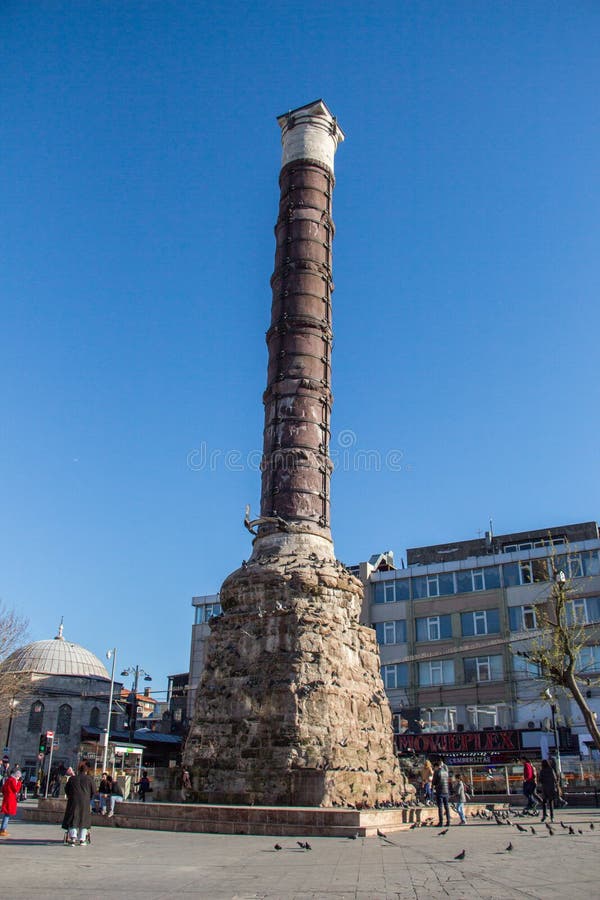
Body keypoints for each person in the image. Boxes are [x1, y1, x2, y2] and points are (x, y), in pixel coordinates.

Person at [62, 761, 95, 845]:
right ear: (86, 770)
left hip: (73, 801)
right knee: (84, 820)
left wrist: (71, 796)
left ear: (78, 770)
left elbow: (66, 789)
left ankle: (73, 838)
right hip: (85, 801)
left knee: (73, 818)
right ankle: (82, 839)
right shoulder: (89, 779)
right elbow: (94, 791)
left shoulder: (72, 779)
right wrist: (89, 798)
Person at [0, 769, 21, 836]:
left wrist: (5, 794)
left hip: (6, 798)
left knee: (6, 814)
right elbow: (16, 789)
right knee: (7, 814)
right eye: (18, 777)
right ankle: (3, 829)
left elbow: (3, 789)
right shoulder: (13, 780)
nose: (18, 778)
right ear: (16, 776)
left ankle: (3, 829)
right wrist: (19, 783)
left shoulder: (8, 779)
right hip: (11, 799)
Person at [539, 758, 559, 823]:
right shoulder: (551, 770)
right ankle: (552, 817)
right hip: (551, 788)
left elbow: (540, 780)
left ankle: (544, 815)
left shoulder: (542, 771)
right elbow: (555, 778)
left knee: (544, 802)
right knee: (551, 802)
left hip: (544, 788)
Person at [432, 759, 451, 827]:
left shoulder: (437, 772)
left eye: (434, 767)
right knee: (446, 807)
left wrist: (433, 786)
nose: (434, 769)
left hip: (439, 791)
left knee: (440, 807)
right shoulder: (445, 772)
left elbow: (434, 782)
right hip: (446, 791)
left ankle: (441, 822)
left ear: (436, 766)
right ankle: (448, 821)